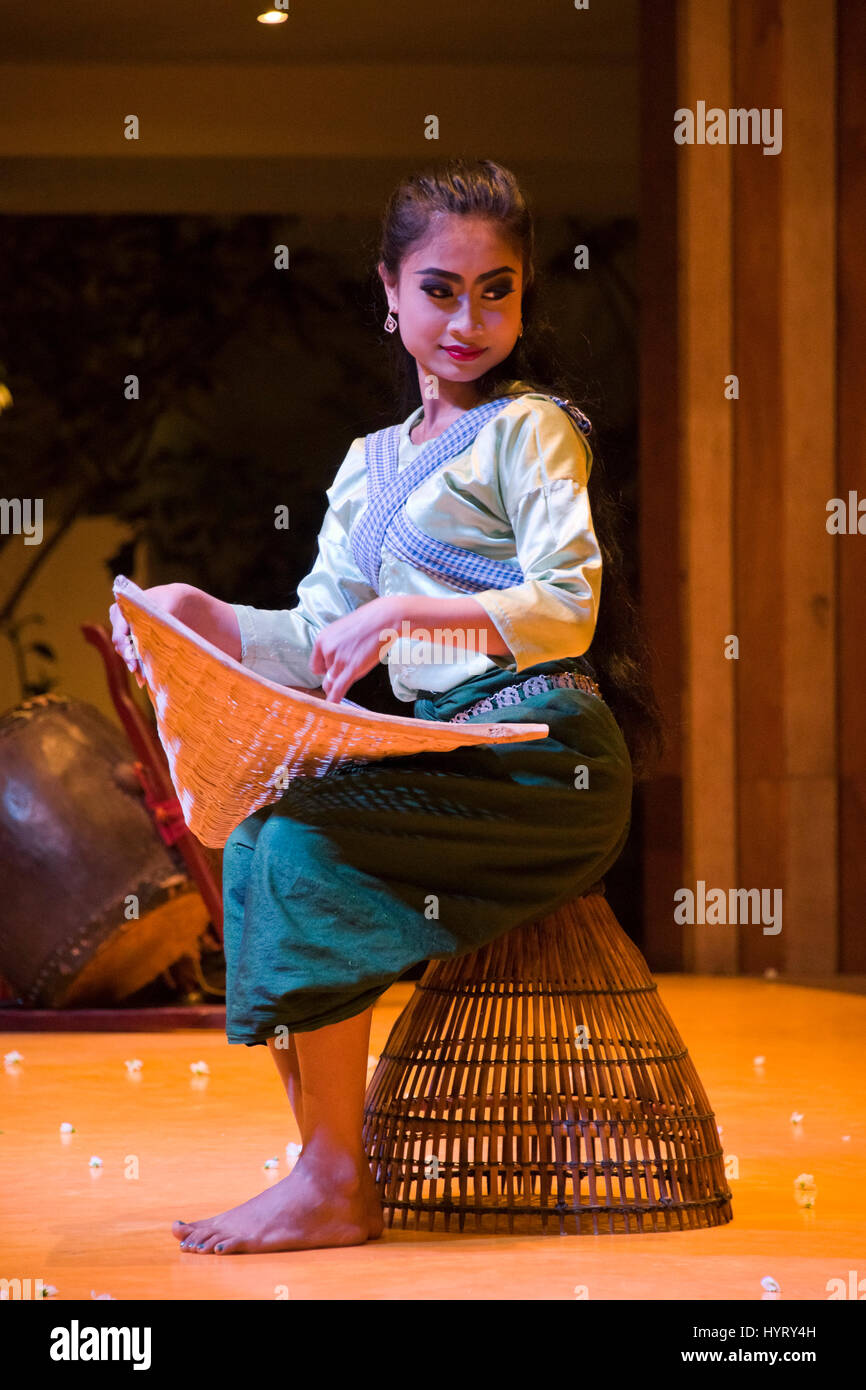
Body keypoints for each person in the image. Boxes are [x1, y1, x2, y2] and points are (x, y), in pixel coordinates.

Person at [109, 158, 664, 1256]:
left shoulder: (531, 429)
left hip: (544, 754)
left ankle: (328, 1180)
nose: (468, 317)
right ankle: (327, 1169)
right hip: (440, 756)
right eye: (440, 288)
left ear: (521, 299)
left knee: (300, 843)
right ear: (390, 292)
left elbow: (565, 607)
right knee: (266, 838)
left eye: (495, 289)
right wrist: (206, 612)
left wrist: (412, 612)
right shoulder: (365, 469)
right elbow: (321, 641)